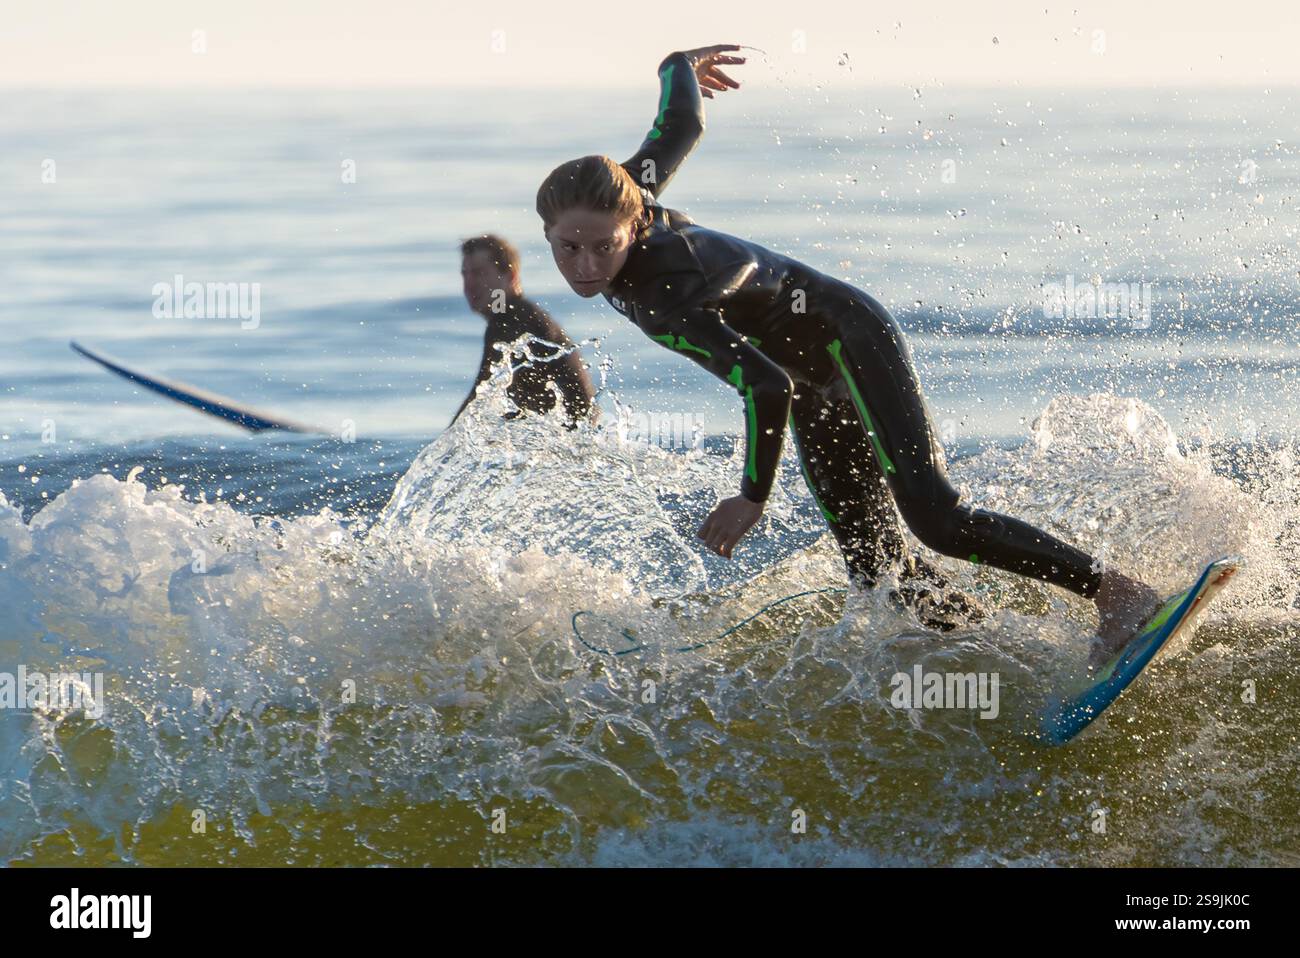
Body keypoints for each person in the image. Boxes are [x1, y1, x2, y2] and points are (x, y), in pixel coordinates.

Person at [534, 43, 1162, 657]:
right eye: (568, 248)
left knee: (936, 519)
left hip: (846, 336)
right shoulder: (629, 188)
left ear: (636, 223)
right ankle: (988, 649)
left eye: (602, 247)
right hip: (808, 376)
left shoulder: (664, 295)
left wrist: (752, 496)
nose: (586, 265)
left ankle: (1118, 593)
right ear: (549, 234)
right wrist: (678, 67)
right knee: (875, 563)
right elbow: (682, 123)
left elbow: (764, 385)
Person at [455, 234, 596, 427]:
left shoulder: (510, 320)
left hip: (565, 435)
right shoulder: (519, 314)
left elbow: (479, 400)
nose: (469, 284)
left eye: (479, 273)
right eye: (465, 274)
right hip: (571, 432)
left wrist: (437, 451)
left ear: (510, 276)